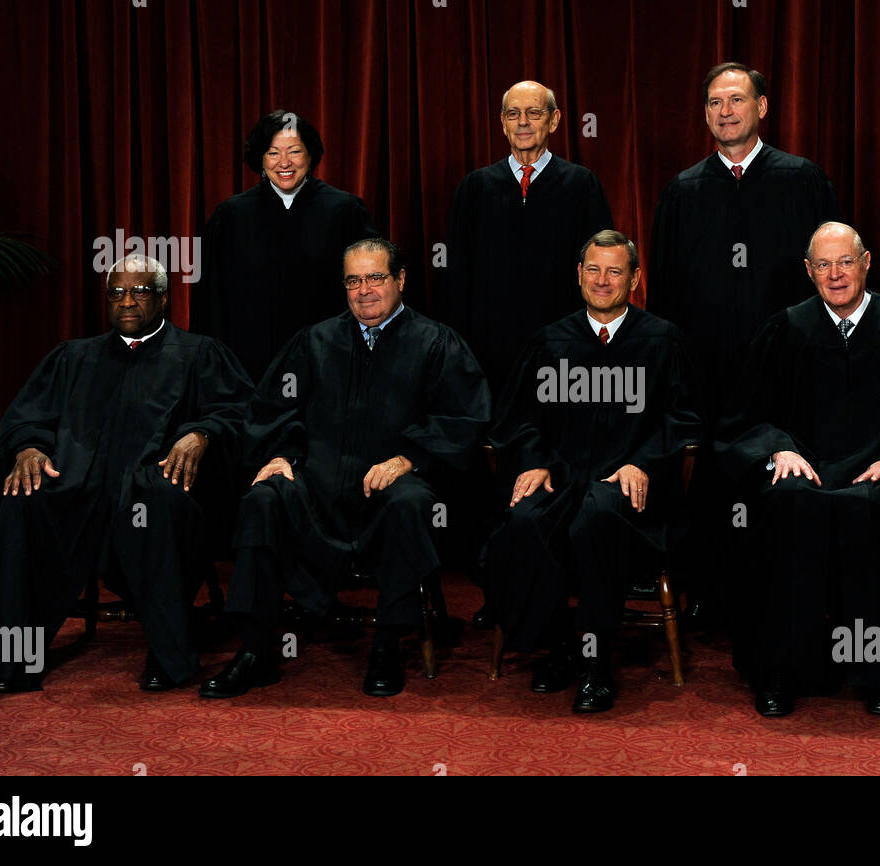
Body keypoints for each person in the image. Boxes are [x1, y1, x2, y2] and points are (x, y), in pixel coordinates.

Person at [199, 238, 490, 699]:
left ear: (400, 280)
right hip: (317, 489)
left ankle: (386, 645)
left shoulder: (436, 343)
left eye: (375, 277)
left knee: (412, 503)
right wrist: (282, 455)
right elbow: (274, 408)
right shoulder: (314, 342)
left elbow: (464, 418)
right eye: (353, 280)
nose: (364, 290)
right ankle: (255, 650)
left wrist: (408, 459)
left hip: (391, 492)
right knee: (264, 498)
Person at [716, 222, 880, 717]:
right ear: (808, 271)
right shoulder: (786, 329)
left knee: (876, 512)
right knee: (785, 505)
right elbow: (744, 417)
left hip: (879, 475)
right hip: (802, 473)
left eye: (845, 261)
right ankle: (781, 673)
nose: (835, 274)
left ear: (867, 262)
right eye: (823, 265)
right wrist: (778, 450)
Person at [0, 254, 254, 693]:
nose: (127, 301)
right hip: (75, 489)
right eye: (117, 292)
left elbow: (243, 415)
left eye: (140, 291)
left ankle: (168, 652)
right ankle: (14, 658)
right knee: (23, 499)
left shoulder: (199, 355)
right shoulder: (73, 357)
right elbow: (24, 419)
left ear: (163, 298)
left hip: (151, 488)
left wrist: (202, 433)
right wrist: (28, 447)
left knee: (160, 501)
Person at [648, 62, 839, 626]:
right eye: (713, 103)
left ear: (761, 107)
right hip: (703, 361)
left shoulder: (803, 181)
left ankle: (780, 596)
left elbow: (830, 276)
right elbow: (665, 288)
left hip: (785, 362)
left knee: (781, 471)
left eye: (735, 100)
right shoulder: (682, 190)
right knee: (707, 474)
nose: (724, 112)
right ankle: (706, 589)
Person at [484, 230, 702, 712]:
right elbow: (518, 419)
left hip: (629, 487)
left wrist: (643, 463)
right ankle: (559, 645)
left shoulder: (663, 340)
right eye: (593, 270)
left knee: (597, 519)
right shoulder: (550, 340)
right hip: (563, 476)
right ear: (578, 275)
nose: (603, 281)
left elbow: (684, 419)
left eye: (615, 271)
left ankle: (595, 662)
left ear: (636, 278)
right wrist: (536, 461)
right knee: (525, 522)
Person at [442, 80, 613, 628]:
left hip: (564, 361)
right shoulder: (476, 188)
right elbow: (457, 276)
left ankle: (559, 591)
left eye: (533, 113)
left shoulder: (580, 186)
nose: (522, 123)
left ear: (555, 121)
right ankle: (500, 592)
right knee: (496, 471)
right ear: (501, 122)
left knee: (552, 468)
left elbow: (601, 275)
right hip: (488, 355)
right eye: (512, 114)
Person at [195, 109, 380, 382]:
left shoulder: (344, 211)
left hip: (329, 363)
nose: (284, 162)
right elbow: (211, 300)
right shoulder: (231, 216)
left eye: (294, 151)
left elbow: (370, 287)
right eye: (272, 153)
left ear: (310, 155)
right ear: (260, 158)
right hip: (248, 367)